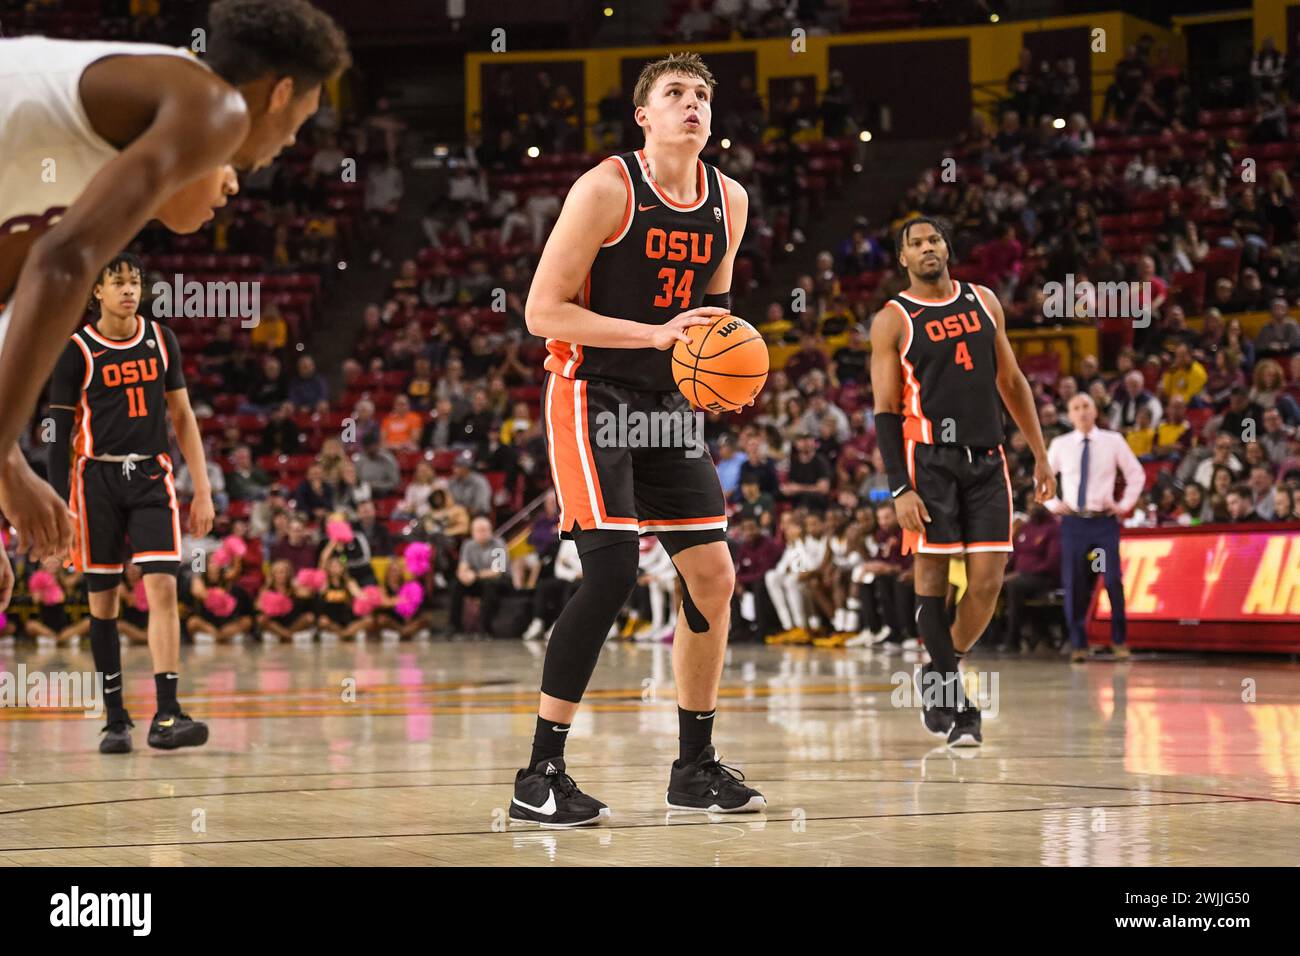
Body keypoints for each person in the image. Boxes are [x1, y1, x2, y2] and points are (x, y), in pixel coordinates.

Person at [0, 0, 350, 598]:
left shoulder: (66, 171)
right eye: (299, 122)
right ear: (278, 91)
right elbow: (64, 265)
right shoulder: (213, 106)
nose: (285, 146)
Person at [514, 52, 763, 825]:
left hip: (666, 405)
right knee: (614, 568)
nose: (692, 105)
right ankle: (539, 774)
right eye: (675, 95)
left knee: (714, 577)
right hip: (591, 392)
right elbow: (541, 312)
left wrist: (721, 369)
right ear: (644, 117)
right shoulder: (606, 189)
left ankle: (693, 768)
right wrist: (656, 337)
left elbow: (711, 319)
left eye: (702, 97)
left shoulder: (731, 200)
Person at [871, 216, 1055, 747]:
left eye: (934, 239)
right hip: (927, 461)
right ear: (902, 259)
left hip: (988, 459)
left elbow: (1012, 380)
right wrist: (899, 488)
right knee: (931, 580)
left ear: (947, 247)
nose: (928, 248)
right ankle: (959, 704)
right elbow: (885, 412)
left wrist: (1040, 456)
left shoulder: (984, 300)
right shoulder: (893, 319)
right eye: (916, 243)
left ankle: (936, 671)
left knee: (988, 583)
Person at [46, 254, 214, 753]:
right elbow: (56, 437)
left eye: (134, 282)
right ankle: (116, 719)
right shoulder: (76, 350)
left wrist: (201, 488)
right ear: (96, 292)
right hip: (94, 477)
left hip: (150, 473)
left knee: (163, 587)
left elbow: (182, 416)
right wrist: (59, 507)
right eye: (117, 282)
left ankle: (166, 714)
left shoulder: (162, 339)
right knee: (104, 602)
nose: (128, 290)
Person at [1046, 393, 1145, 662]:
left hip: (1103, 521)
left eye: (1086, 406)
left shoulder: (1113, 441)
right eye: (1076, 407)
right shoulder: (1060, 444)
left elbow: (1136, 473)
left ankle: (1119, 640)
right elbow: (1041, 478)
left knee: (1112, 579)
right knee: (1074, 583)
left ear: (1095, 410)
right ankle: (1078, 644)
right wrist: (1053, 504)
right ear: (1069, 413)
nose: (1082, 412)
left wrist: (1124, 504)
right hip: (1074, 522)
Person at [448, 515, 510, 636]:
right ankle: (454, 627)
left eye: (485, 530)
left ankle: (485, 628)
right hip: (478, 580)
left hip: (500, 581)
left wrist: (474, 575)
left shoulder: (499, 543)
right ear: (472, 532)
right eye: (479, 530)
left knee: (490, 585)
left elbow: (498, 571)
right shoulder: (468, 545)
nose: (482, 533)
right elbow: (462, 567)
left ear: (490, 530)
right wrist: (463, 575)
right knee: (456, 584)